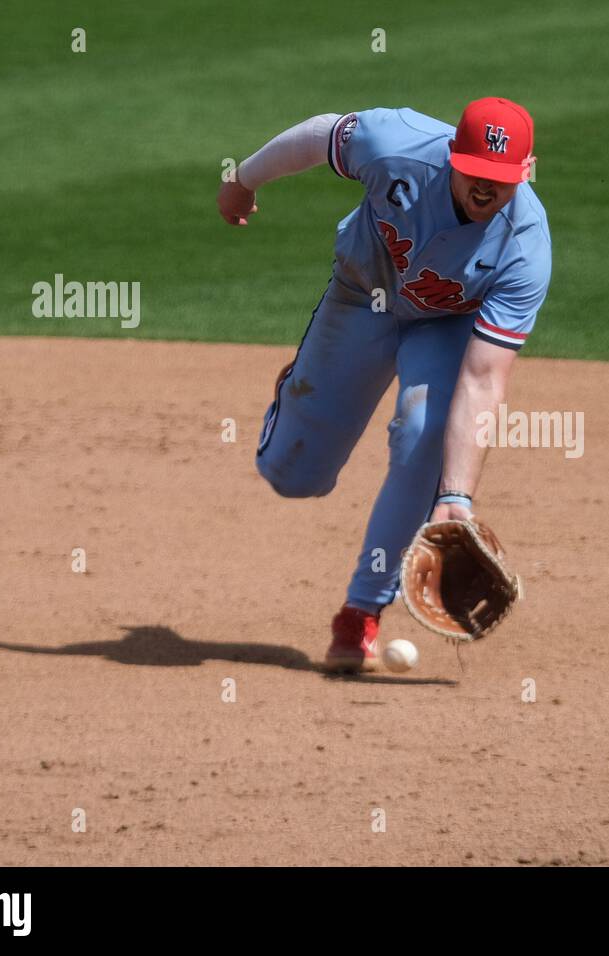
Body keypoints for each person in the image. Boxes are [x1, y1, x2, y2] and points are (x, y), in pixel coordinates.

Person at [216, 97, 551, 671]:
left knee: (424, 437)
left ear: (525, 171)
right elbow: (318, 136)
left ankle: (360, 614)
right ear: (453, 155)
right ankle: (294, 394)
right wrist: (243, 179)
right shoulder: (397, 145)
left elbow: (484, 375)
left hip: (444, 329)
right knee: (294, 478)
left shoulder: (525, 248)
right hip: (360, 298)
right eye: (475, 171)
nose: (484, 189)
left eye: (500, 180)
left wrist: (455, 499)